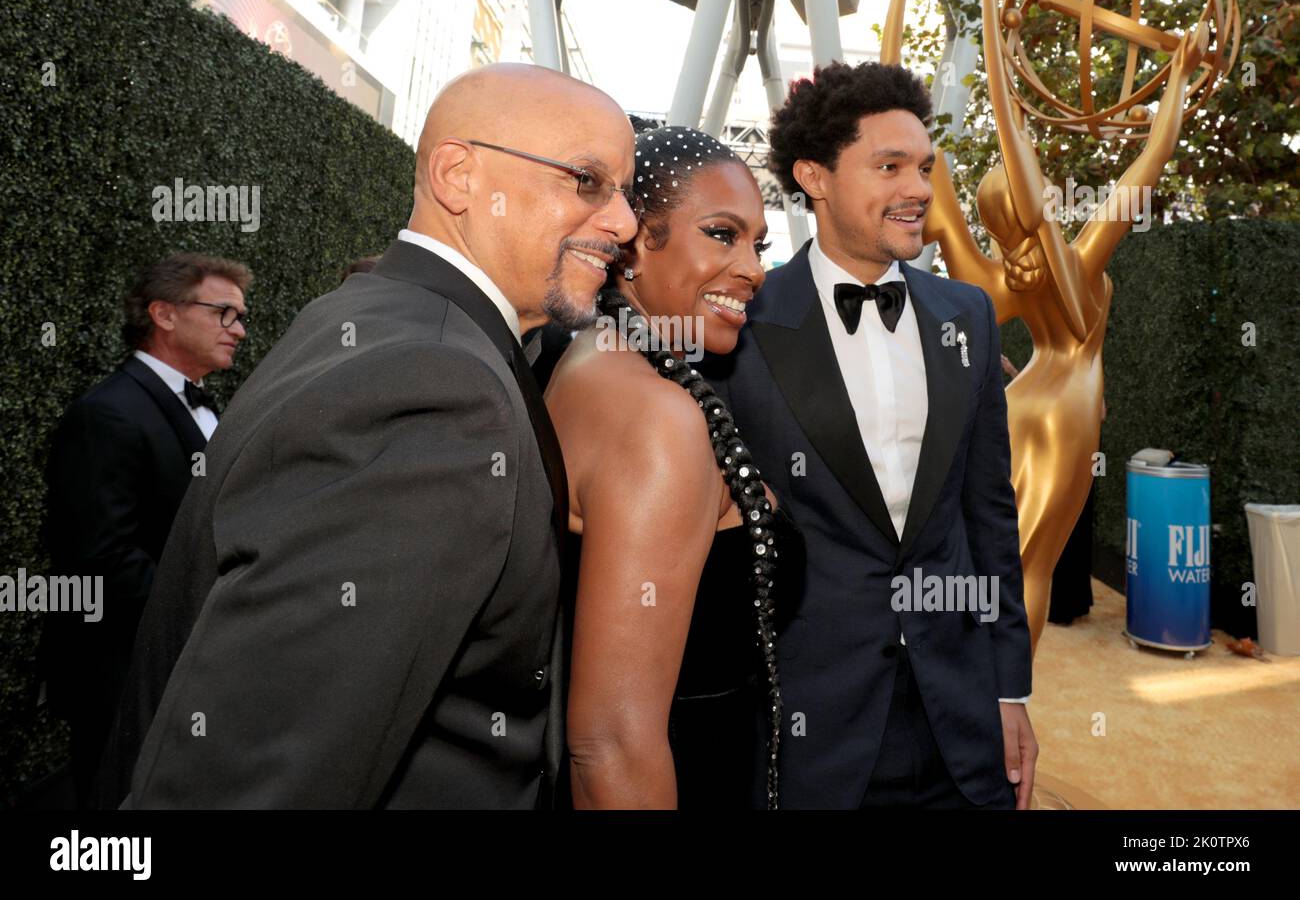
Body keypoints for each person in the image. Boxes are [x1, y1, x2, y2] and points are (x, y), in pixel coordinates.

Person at [95, 62, 638, 809]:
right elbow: (253, 778)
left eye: (625, 190)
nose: (625, 223)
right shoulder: (439, 387)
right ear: (459, 175)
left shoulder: (383, 317)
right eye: (586, 179)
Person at [706, 61, 1037, 809]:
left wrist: (1009, 686)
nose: (918, 189)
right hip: (808, 723)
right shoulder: (741, 322)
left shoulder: (969, 316)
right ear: (814, 177)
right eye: (888, 166)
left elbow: (988, 515)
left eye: (923, 167)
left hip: (960, 718)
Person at [545, 125, 804, 809]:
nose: (752, 269)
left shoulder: (601, 364)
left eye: (759, 243)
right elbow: (611, 746)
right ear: (633, 245)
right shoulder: (651, 414)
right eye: (722, 234)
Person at [40, 251, 250, 807]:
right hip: (123, 670)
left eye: (241, 316)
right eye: (224, 313)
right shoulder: (108, 414)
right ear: (164, 314)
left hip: (184, 665)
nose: (240, 330)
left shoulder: (198, 405)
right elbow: (100, 559)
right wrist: (209, 611)